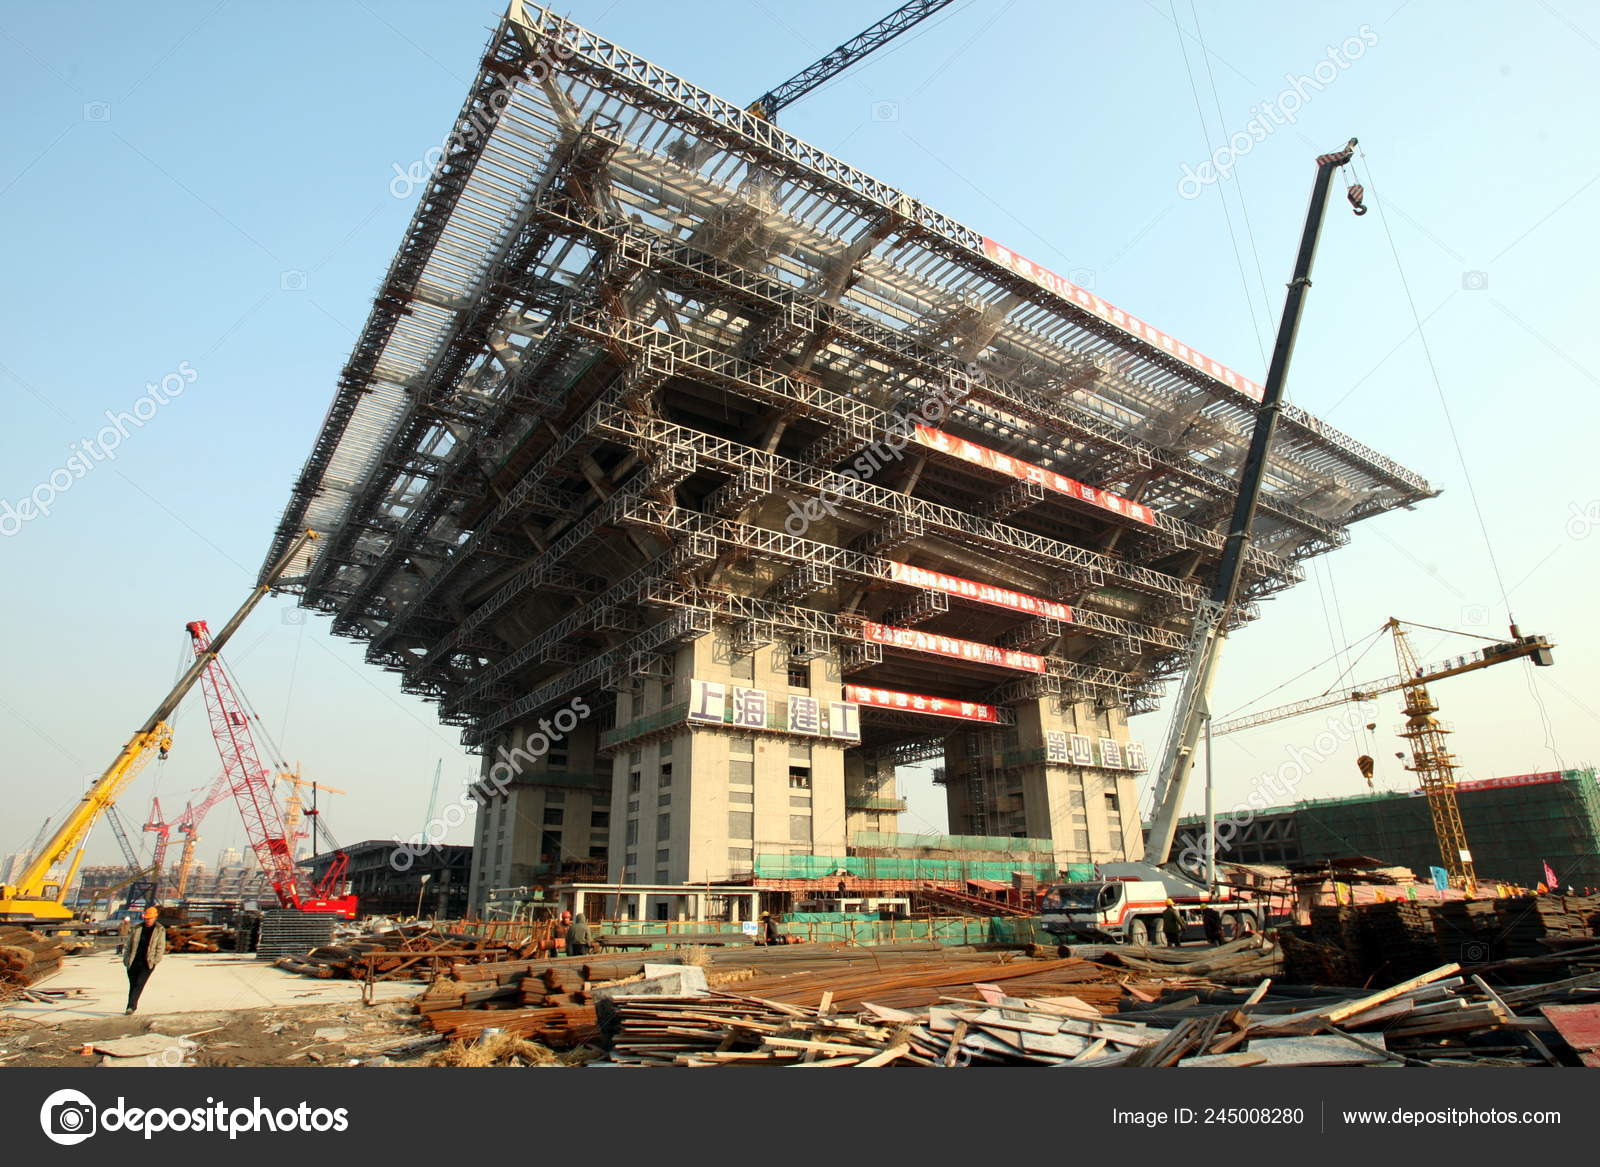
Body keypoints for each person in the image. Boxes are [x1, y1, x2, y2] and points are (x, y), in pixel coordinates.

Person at [123, 906, 167, 1015]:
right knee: (133, 984)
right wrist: (126, 959)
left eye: (150, 918)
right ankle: (132, 1004)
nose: (147, 920)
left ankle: (131, 1007)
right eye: (146, 918)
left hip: (147, 962)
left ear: (155, 918)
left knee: (139, 983)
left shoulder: (159, 930)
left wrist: (155, 960)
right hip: (133, 960)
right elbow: (129, 944)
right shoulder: (137, 928)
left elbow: (160, 946)